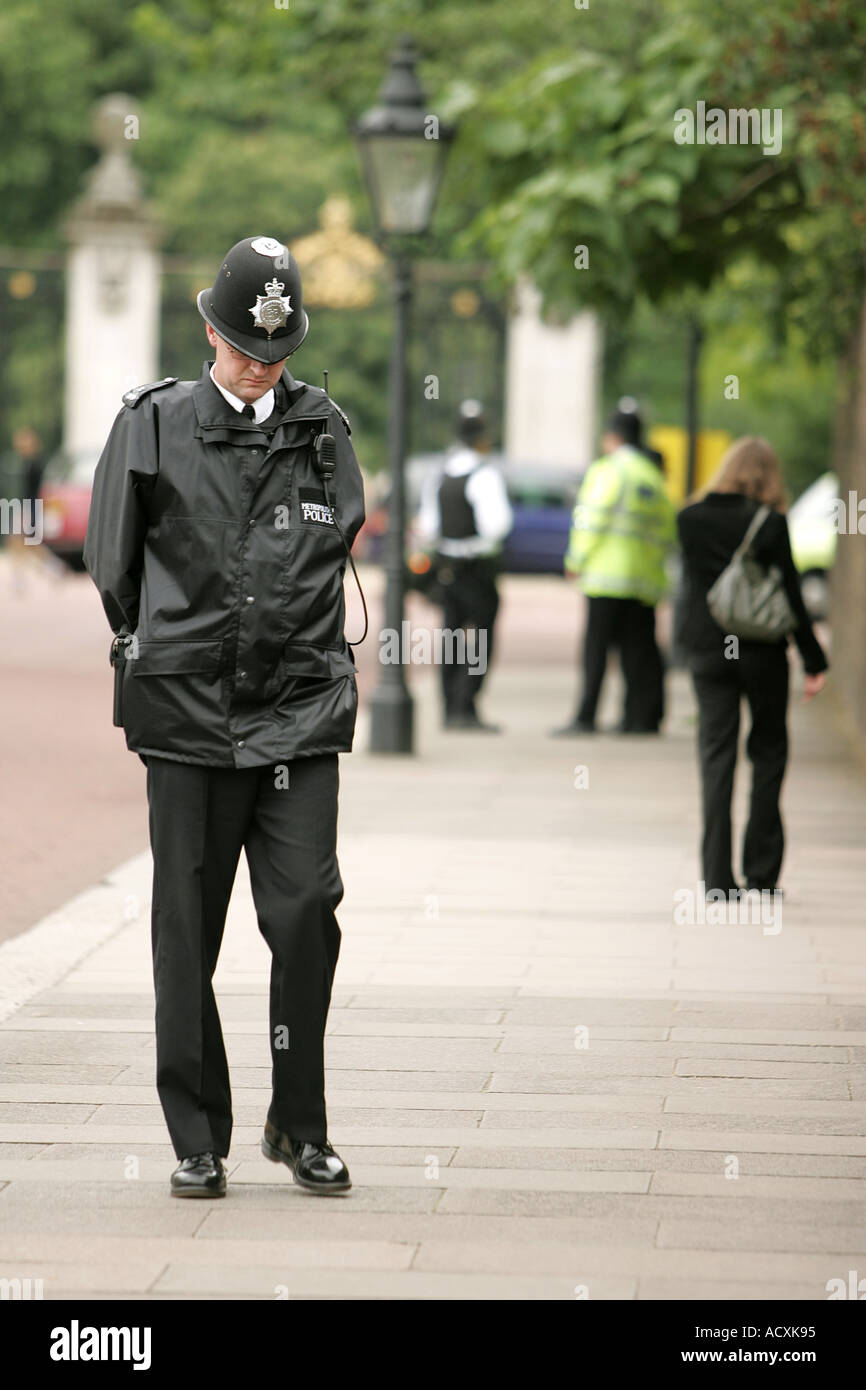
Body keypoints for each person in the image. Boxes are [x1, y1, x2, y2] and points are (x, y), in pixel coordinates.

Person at [84, 235, 365, 1199]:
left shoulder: (323, 426)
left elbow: (341, 541)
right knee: (186, 927)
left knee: (307, 914)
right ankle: (197, 1135)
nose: (263, 365)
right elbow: (113, 565)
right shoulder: (153, 423)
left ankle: (301, 1124)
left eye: (277, 353)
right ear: (212, 330)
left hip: (297, 712)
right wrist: (157, 644)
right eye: (248, 348)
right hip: (189, 718)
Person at [676, 436, 828, 896]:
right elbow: (792, 596)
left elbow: (690, 589)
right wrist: (813, 658)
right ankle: (761, 874)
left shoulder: (690, 518)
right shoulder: (770, 523)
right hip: (761, 652)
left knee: (716, 756)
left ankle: (717, 879)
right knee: (768, 753)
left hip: (709, 652)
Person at [552, 408, 676, 736]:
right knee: (637, 653)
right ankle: (636, 719)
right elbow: (667, 532)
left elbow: (591, 518)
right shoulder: (652, 476)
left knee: (596, 651)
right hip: (642, 582)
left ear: (613, 437)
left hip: (605, 579)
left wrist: (575, 560)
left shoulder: (608, 471)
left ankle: (586, 716)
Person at [416, 399, 513, 732]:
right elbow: (497, 527)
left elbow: (427, 528)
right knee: (481, 639)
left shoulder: (440, 474)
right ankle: (466, 706)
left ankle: (449, 707)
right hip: (476, 568)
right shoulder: (484, 475)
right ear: (482, 435)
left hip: (446, 566)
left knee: (452, 636)